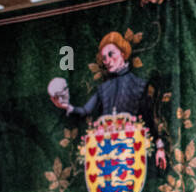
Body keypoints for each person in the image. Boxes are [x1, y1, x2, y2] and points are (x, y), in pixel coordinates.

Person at [49, 31, 167, 169]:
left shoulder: (139, 85)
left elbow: (148, 119)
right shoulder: (103, 89)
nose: (108, 61)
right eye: (104, 58)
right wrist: (65, 106)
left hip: (132, 154)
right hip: (107, 155)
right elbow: (85, 111)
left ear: (122, 53)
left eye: (111, 54)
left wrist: (160, 148)